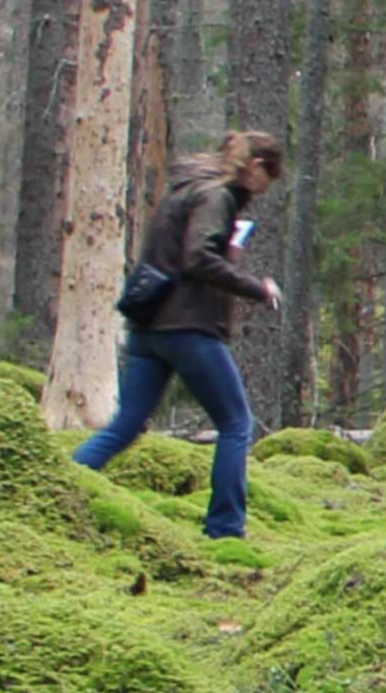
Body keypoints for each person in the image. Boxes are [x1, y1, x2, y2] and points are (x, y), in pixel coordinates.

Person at [76, 129, 289, 542]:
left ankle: (61, 484)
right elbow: (198, 257)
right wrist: (256, 288)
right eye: (269, 179)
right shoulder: (217, 196)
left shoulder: (187, 191)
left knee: (125, 425)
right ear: (258, 167)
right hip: (188, 328)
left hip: (149, 327)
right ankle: (225, 529)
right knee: (235, 424)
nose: (265, 191)